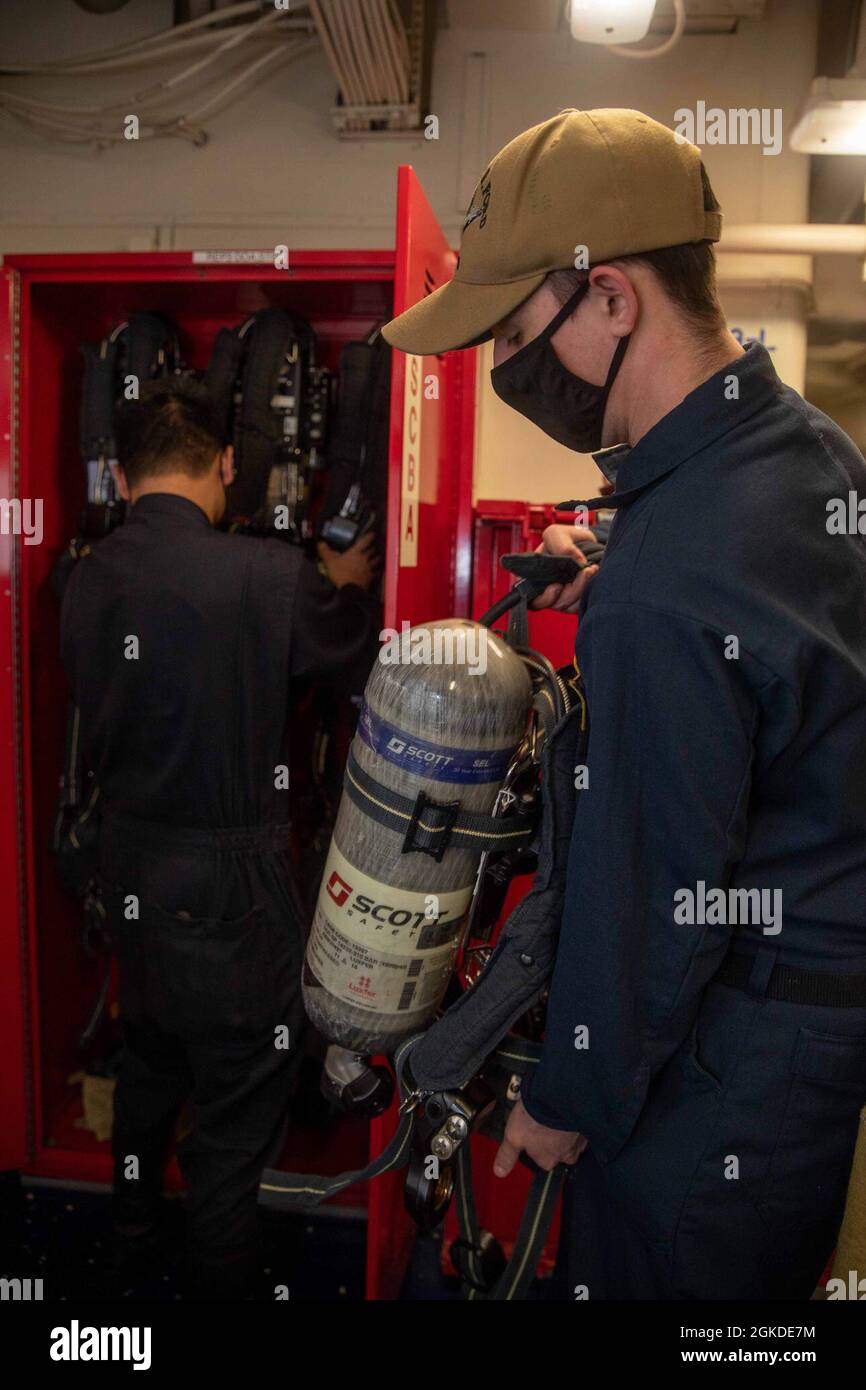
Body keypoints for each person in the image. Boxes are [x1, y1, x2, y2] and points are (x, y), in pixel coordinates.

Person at [382, 108, 866, 1300]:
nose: (501, 366)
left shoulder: (674, 569)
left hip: (728, 1056)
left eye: (513, 325)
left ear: (613, 298)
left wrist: (567, 1098)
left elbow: (649, 885)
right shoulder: (797, 451)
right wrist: (628, 595)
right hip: (810, 1028)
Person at [59, 377, 380, 1299]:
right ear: (229, 467)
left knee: (151, 1062)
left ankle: (124, 1245)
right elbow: (353, 657)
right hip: (232, 886)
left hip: (130, 879)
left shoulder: (84, 576)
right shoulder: (267, 577)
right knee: (235, 1128)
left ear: (122, 477)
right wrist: (346, 589)